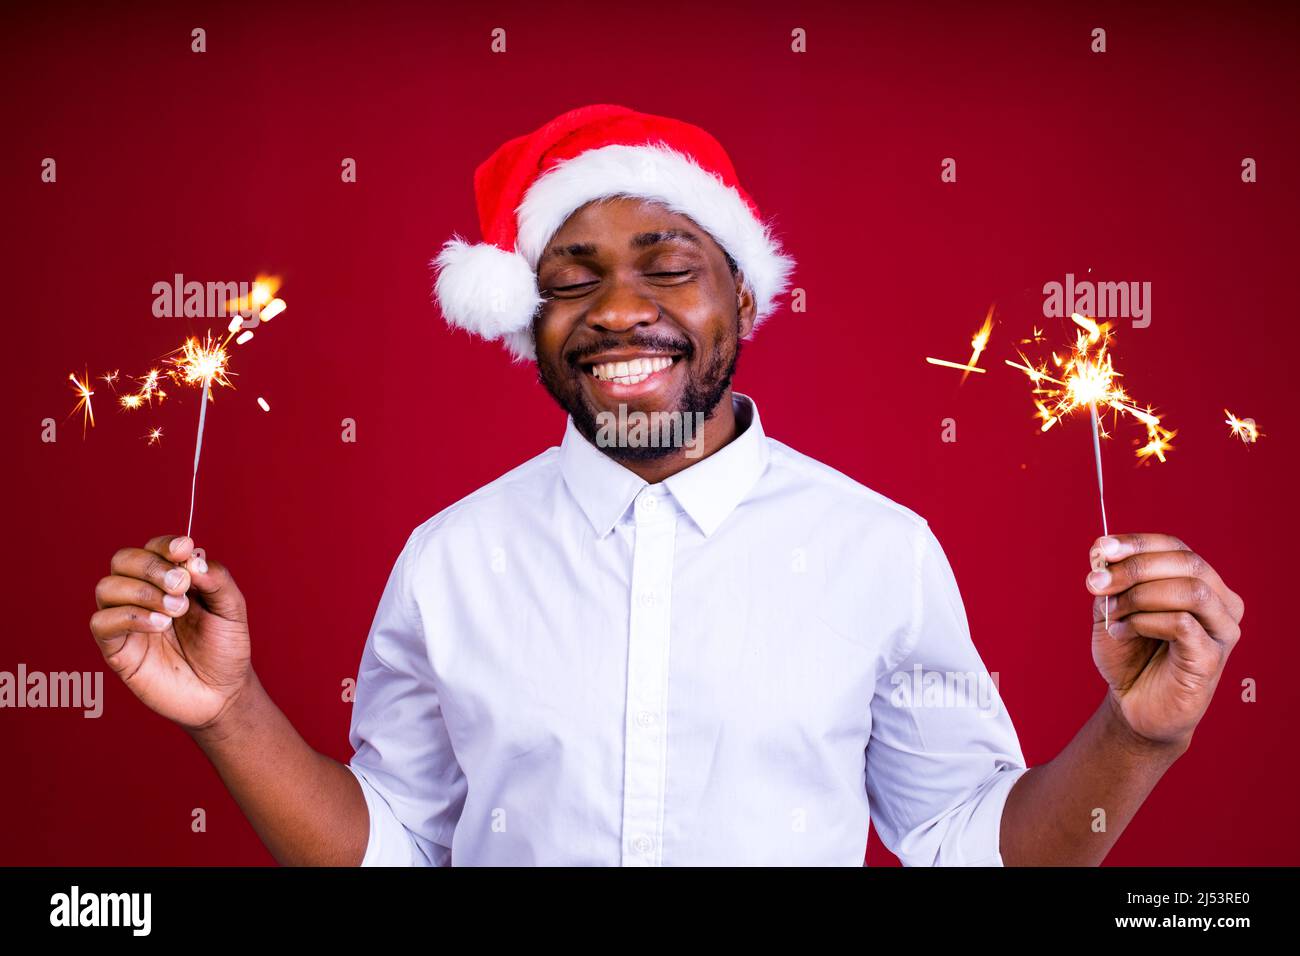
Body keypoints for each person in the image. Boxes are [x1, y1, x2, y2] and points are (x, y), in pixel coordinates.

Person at [89, 104, 1245, 866]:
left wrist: (1135, 739)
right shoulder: (451, 558)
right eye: (570, 279)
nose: (618, 310)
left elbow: (965, 843)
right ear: (526, 324)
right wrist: (228, 713)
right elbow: (397, 845)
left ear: (743, 302)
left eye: (670, 267)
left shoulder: (878, 548)